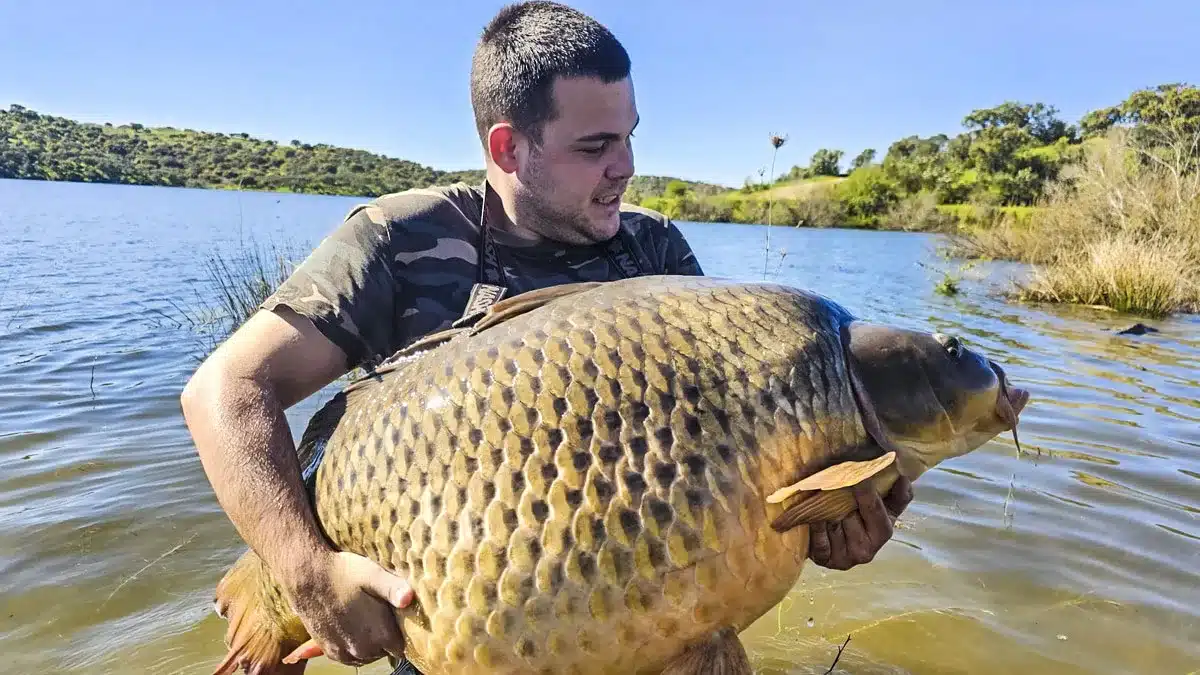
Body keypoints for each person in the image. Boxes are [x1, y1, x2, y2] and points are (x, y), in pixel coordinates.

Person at [180, 1, 913, 670]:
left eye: (629, 137)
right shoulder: (400, 241)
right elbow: (224, 389)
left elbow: (744, 482)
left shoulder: (656, 256)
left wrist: (827, 526)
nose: (626, 167)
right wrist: (307, 573)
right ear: (508, 148)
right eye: (595, 146)